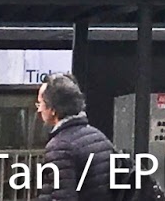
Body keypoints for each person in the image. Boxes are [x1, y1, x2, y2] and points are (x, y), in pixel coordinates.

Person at [36, 72, 114, 201]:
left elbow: (61, 196)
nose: (39, 110)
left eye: (41, 103)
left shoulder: (60, 147)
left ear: (53, 109)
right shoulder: (99, 137)